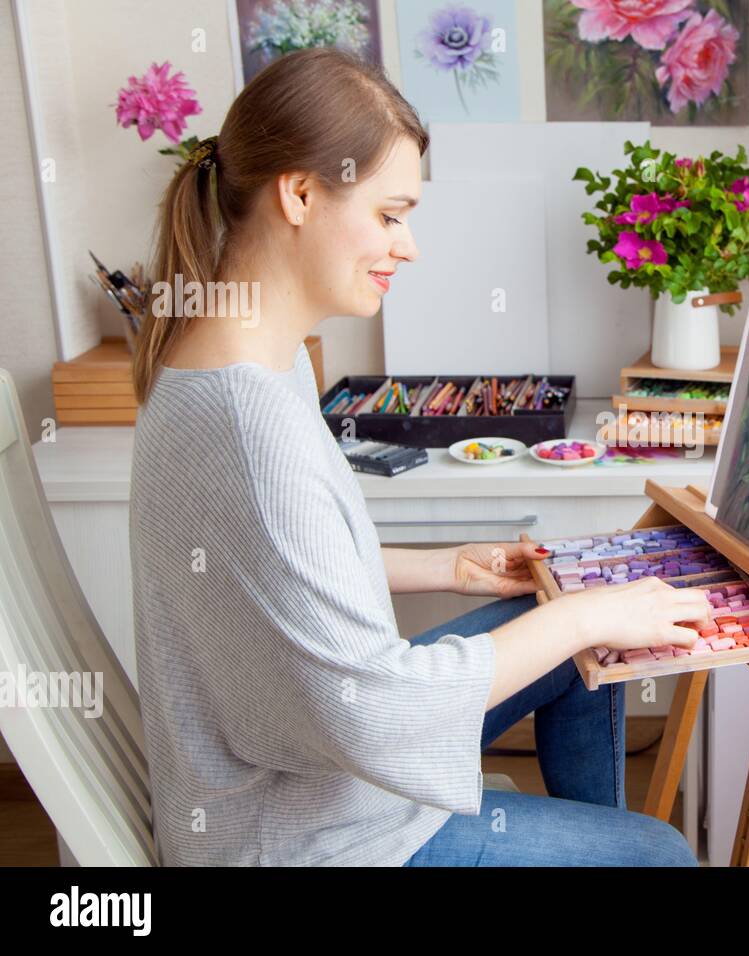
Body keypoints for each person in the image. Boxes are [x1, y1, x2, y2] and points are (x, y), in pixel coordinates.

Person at [129, 47, 706, 866]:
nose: (409, 246)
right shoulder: (247, 425)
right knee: (661, 852)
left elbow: (272, 574)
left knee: (562, 627)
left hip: (309, 756)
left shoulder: (243, 352)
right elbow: (375, 712)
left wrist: (448, 567)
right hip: (306, 836)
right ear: (299, 193)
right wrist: (583, 615)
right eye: (391, 213)